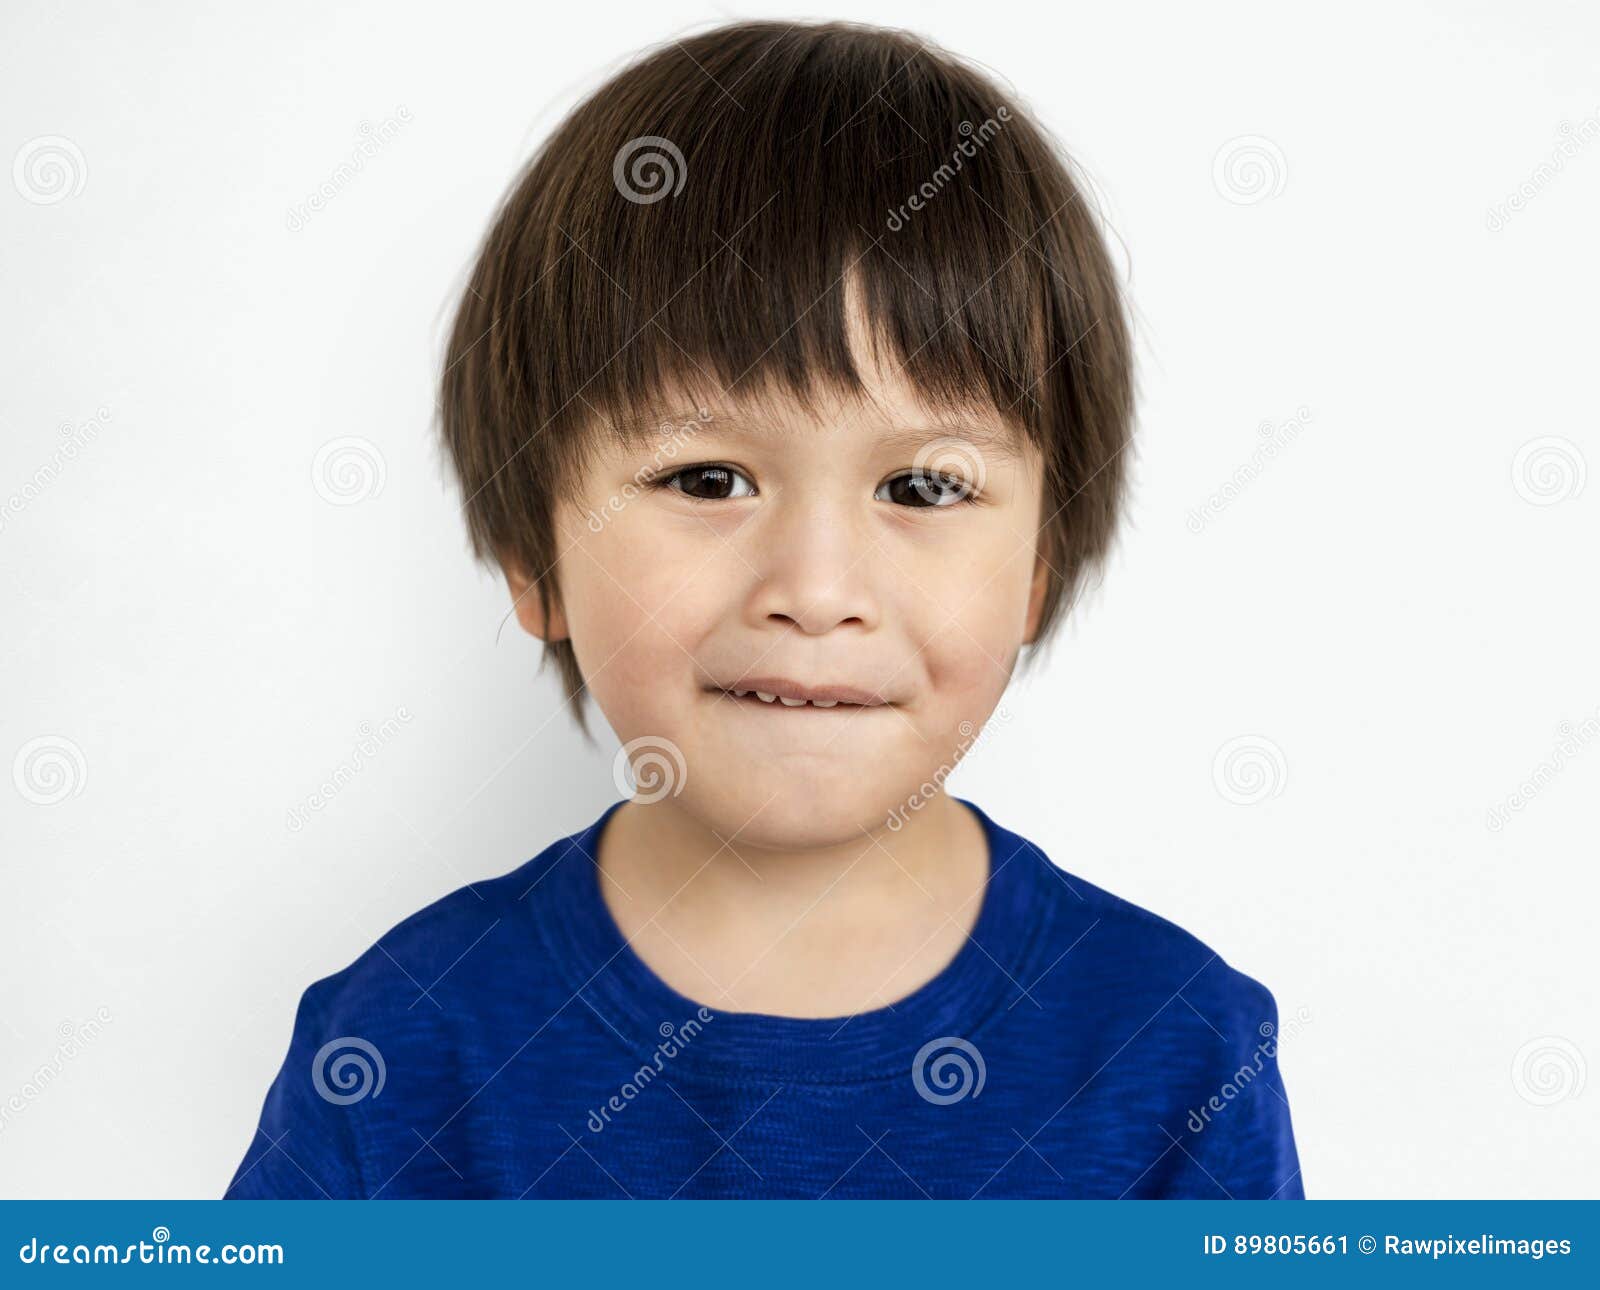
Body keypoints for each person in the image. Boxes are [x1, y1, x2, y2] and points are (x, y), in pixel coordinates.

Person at [226, 19, 1302, 1200]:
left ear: (1038, 567)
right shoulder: (392, 1051)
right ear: (535, 558)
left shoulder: (1174, 1051)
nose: (817, 591)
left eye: (924, 487)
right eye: (707, 481)